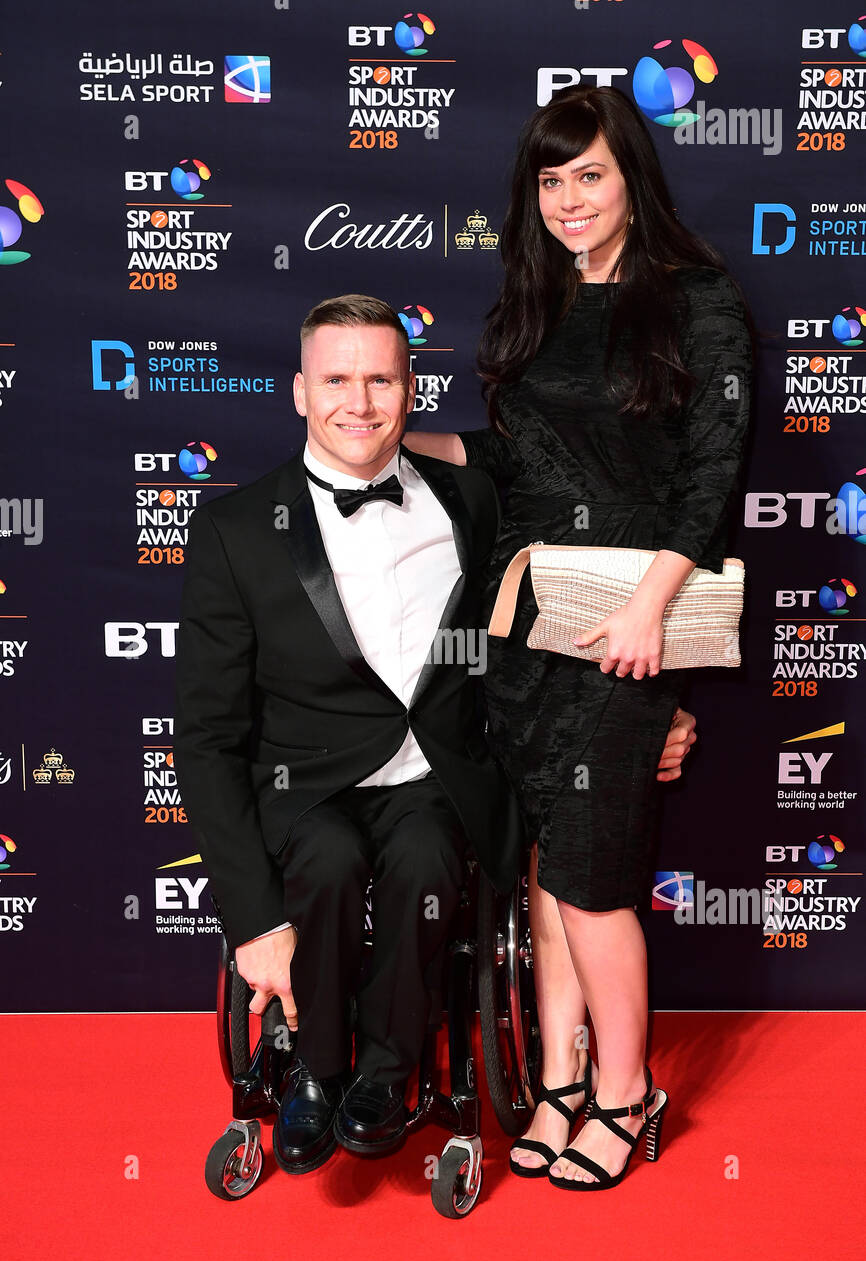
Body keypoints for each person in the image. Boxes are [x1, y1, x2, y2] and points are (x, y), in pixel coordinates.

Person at [405, 84, 752, 1190]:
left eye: (587, 174)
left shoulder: (693, 301)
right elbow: (515, 469)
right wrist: (396, 439)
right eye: (548, 181)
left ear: (629, 177)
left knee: (595, 879)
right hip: (531, 616)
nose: (566, 199)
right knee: (548, 871)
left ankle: (625, 1091)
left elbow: (708, 476)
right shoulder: (535, 304)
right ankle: (558, 1083)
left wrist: (650, 612)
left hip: (624, 620)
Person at [174, 294, 523, 1173]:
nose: (358, 403)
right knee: (324, 866)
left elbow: (565, 465)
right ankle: (317, 1075)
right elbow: (209, 737)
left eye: (380, 379)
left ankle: (387, 1074)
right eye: (336, 379)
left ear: (411, 392)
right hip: (307, 787)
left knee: (428, 865)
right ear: (299, 391)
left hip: (431, 779)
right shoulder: (234, 530)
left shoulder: (470, 499)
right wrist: (252, 918)